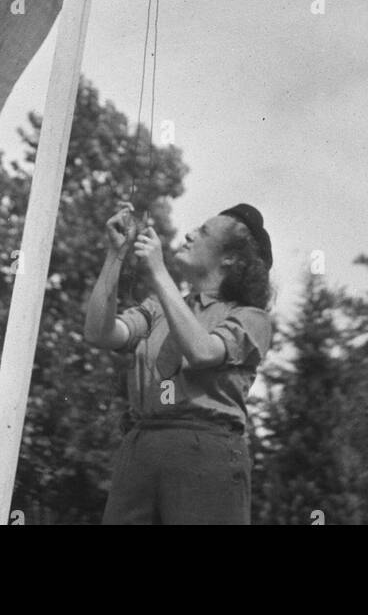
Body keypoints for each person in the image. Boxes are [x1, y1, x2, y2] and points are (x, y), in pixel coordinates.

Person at [84, 200, 274, 525]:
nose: (188, 234)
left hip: (206, 454)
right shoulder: (161, 307)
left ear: (230, 258)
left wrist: (158, 271)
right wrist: (115, 255)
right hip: (140, 448)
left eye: (202, 231)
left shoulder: (250, 317)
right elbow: (100, 333)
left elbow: (202, 352)